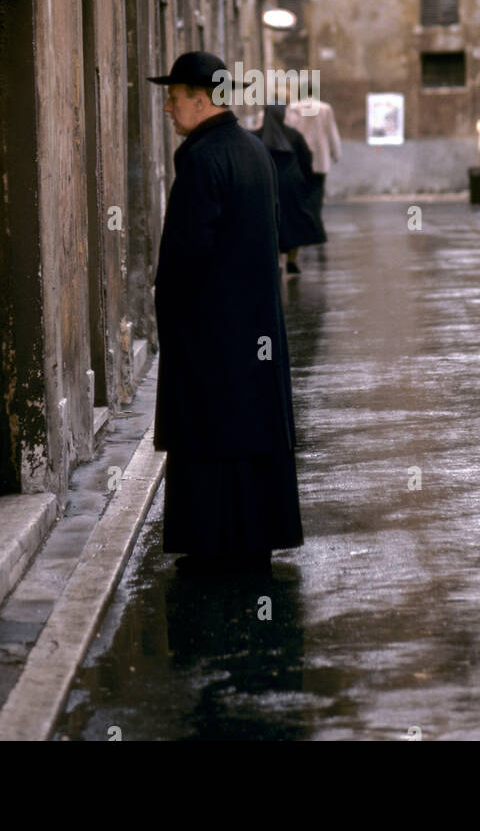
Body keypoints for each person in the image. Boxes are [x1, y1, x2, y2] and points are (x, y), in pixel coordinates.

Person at [148, 52, 304, 574]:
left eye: (174, 98)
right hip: (253, 322)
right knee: (249, 427)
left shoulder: (203, 158)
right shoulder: (253, 150)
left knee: (212, 430)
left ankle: (215, 543)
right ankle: (252, 536)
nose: (168, 108)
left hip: (211, 326)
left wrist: (171, 311)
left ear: (201, 99)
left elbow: (188, 251)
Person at [254, 104, 326, 274]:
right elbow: (306, 159)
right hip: (292, 184)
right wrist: (307, 180)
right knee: (294, 222)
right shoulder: (294, 136)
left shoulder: (256, 137)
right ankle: (292, 259)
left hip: (267, 185)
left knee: (273, 222)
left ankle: (277, 257)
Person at [284, 97, 341, 222]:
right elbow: (332, 132)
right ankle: (315, 218)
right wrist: (336, 153)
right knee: (317, 190)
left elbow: (287, 131)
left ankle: (304, 220)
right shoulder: (325, 109)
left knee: (301, 191)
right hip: (320, 157)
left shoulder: (293, 108)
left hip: (299, 157)